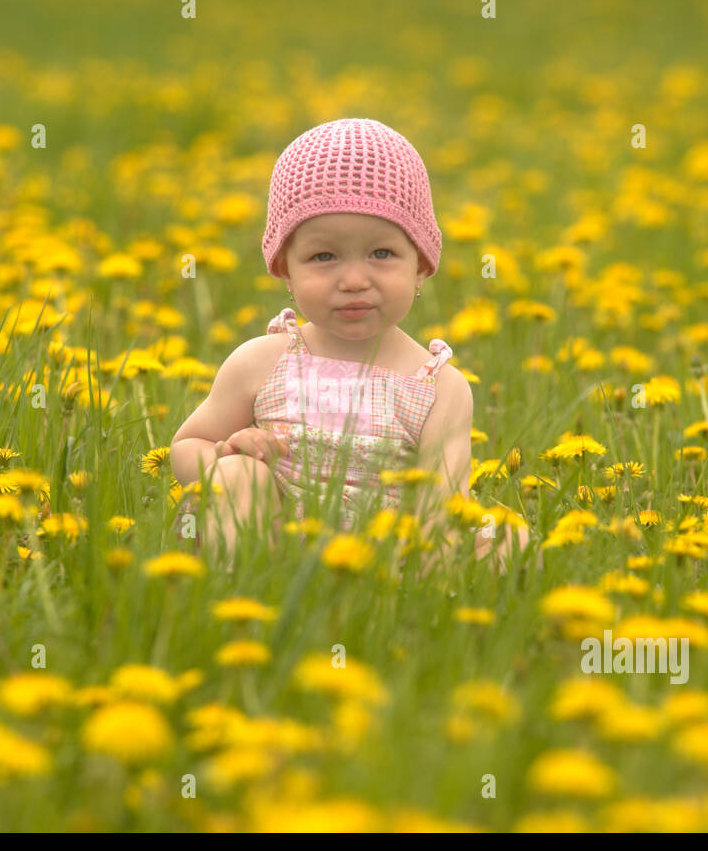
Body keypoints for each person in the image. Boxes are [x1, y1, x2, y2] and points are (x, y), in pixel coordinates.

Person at [169, 117, 532, 576]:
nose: (355, 280)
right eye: (324, 257)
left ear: (421, 264)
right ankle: (247, 595)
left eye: (381, 254)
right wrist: (227, 453)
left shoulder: (441, 387)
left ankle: (406, 611)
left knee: (505, 535)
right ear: (285, 268)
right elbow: (187, 445)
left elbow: (441, 505)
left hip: (388, 556)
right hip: (273, 546)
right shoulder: (264, 360)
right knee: (235, 477)